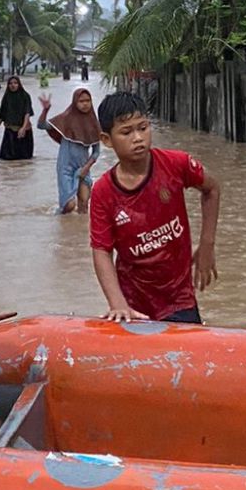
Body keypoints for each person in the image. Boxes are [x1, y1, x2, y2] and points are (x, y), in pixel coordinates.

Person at [89, 92, 220, 323]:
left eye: (143, 128)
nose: (138, 138)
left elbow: (212, 189)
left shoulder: (176, 164)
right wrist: (117, 303)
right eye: (127, 132)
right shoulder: (103, 191)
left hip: (179, 297)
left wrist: (207, 244)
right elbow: (101, 250)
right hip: (133, 302)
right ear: (107, 139)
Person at [37, 88, 100, 214]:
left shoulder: (94, 123)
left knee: (84, 203)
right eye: (81, 101)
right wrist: (45, 110)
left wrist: (87, 167)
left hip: (83, 168)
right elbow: (41, 125)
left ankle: (80, 233)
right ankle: (62, 223)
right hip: (65, 168)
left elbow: (96, 152)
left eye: (88, 101)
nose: (85, 104)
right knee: (69, 205)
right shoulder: (65, 118)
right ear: (75, 102)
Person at [0, 75, 34, 161]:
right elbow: (1, 115)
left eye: (15, 83)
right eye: (10, 83)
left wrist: (23, 128)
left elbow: (27, 113)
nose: (13, 85)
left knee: (25, 160)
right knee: (5, 159)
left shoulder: (25, 96)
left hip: (24, 132)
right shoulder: (6, 97)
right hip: (10, 131)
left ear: (19, 84)